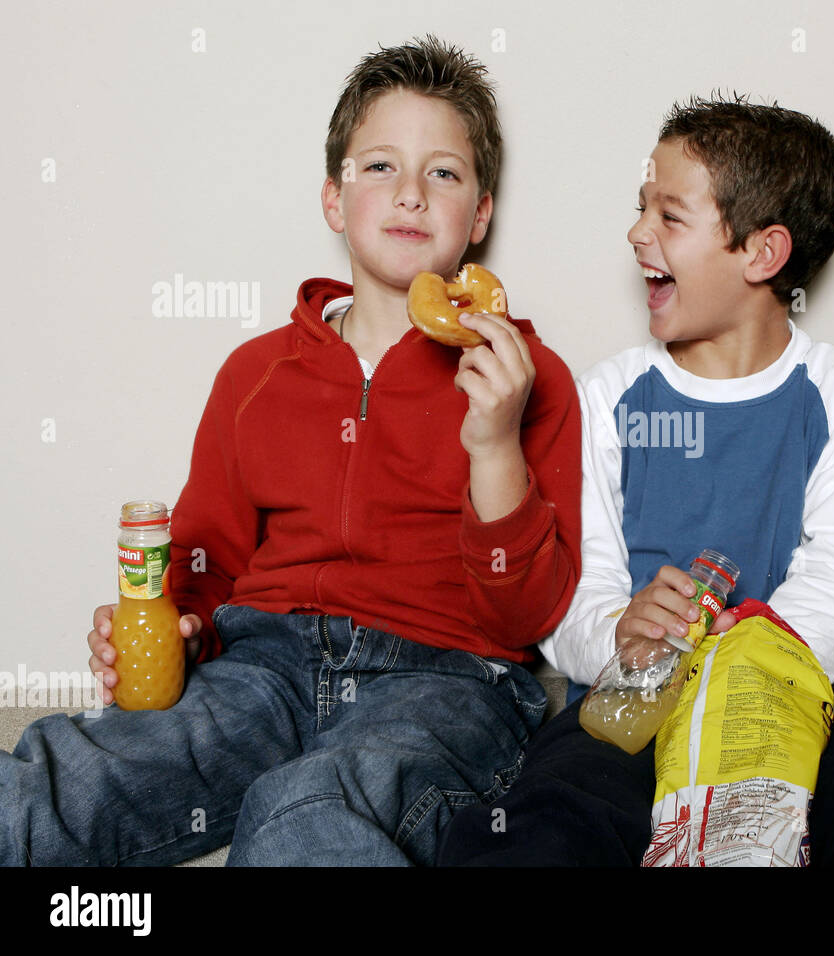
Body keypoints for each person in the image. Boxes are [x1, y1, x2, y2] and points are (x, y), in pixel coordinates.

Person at [0, 35, 581, 867]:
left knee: (303, 811)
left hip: (446, 679)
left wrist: (494, 445)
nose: (411, 193)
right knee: (71, 778)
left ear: (480, 214)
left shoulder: (526, 376)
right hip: (262, 665)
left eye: (444, 173)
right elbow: (208, 558)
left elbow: (529, 618)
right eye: (379, 166)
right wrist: (183, 622)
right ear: (334, 200)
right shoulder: (256, 373)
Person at [440, 97, 834, 866]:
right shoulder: (609, 397)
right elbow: (580, 581)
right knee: (549, 818)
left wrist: (740, 665)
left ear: (761, 253)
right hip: (632, 693)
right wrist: (619, 634)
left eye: (669, 216)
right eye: (639, 207)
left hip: (803, 688)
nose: (636, 232)